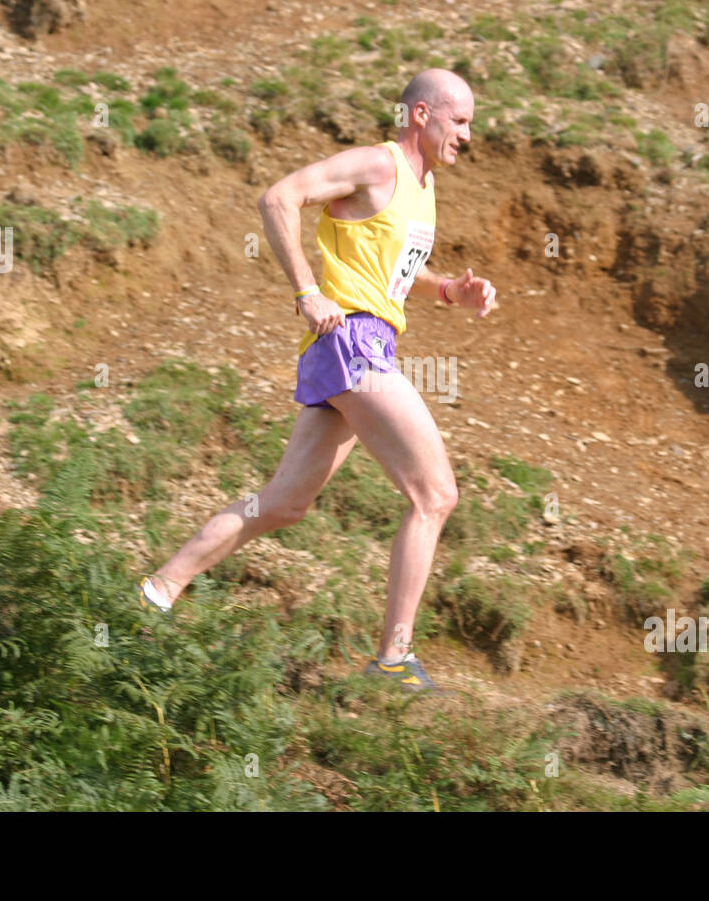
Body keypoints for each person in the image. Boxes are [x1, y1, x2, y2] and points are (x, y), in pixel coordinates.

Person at [139, 68, 496, 694]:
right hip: (351, 342)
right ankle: (393, 660)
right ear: (420, 115)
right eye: (460, 120)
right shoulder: (378, 164)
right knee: (434, 496)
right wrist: (306, 291)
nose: (469, 134)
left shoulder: (423, 185)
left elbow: (389, 269)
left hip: (360, 343)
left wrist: (447, 290)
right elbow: (278, 197)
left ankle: (157, 590)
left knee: (284, 503)